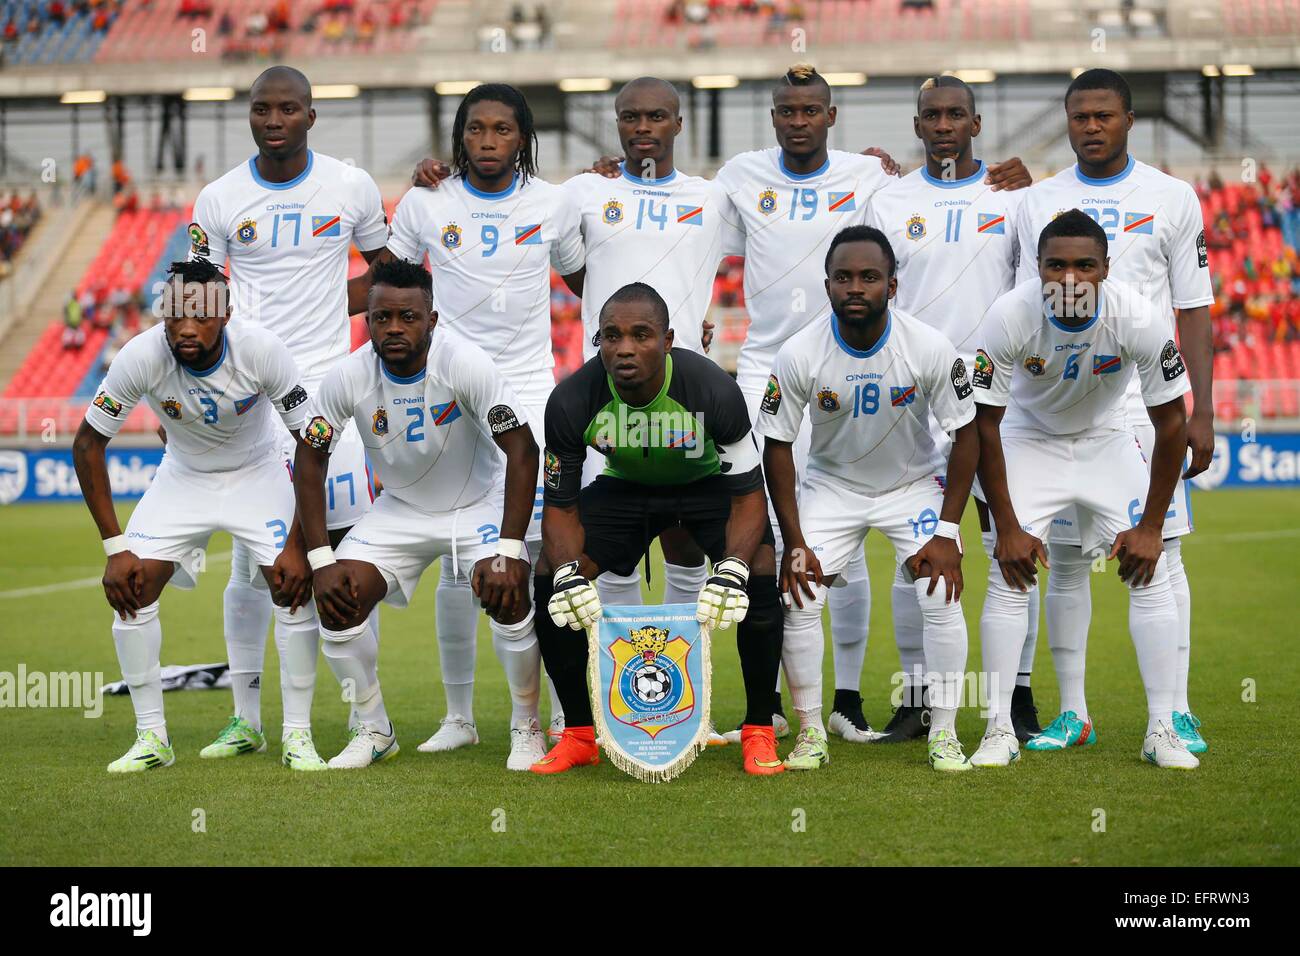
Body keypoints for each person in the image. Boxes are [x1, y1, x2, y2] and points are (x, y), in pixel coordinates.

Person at [354, 84, 583, 752]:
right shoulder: (427, 202)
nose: (488, 142)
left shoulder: (554, 202)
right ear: (459, 138)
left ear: (523, 137)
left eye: (502, 130)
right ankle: (459, 718)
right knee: (458, 552)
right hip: (447, 390)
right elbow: (388, 287)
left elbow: (584, 279)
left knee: (536, 555)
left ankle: (552, 717)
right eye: (476, 130)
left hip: (530, 393)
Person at [189, 65, 389, 765]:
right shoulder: (219, 198)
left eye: (287, 109)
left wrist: (333, 306)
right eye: (260, 109)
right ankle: (249, 721)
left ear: (311, 114)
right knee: (252, 567)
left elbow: (389, 276)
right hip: (250, 401)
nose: (273, 120)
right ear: (249, 116)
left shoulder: (350, 186)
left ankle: (373, 720)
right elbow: (198, 300)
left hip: (330, 396)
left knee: (340, 560)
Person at [1010, 69, 1214, 754]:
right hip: (1062, 404)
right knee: (1066, 562)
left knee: (1163, 555)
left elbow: (1192, 306)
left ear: (1128, 117)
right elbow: (1019, 302)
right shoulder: (1035, 199)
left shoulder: (1172, 196)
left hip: (1145, 402)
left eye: (1103, 115)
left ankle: (1174, 712)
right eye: (1078, 117)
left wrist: (1203, 409)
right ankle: (1074, 713)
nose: (1090, 127)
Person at [970, 210, 1198, 770]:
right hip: (1028, 437)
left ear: (1106, 268)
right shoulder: (1009, 315)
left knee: (1153, 566)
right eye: (1055, 265)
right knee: (1009, 573)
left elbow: (1173, 423)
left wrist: (1149, 525)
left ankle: (1162, 729)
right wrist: (1009, 525)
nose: (1069, 279)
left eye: (1084, 266)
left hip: (1106, 437)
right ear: (1038, 267)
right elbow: (983, 424)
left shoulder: (1138, 317)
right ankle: (998, 730)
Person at [294, 259, 543, 770]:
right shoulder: (347, 376)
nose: (394, 329)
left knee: (507, 592)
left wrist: (511, 550)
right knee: (337, 602)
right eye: (381, 318)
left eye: (408, 317)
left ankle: (527, 727)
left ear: (431, 319)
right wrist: (320, 558)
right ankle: (374, 727)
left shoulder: (464, 363)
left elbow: (523, 450)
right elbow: (310, 457)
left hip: (476, 504)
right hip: (400, 510)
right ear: (365, 318)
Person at [71, 259, 316, 773]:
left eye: (201, 315)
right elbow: (89, 442)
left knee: (292, 587)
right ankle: (151, 738)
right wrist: (116, 549)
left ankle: (297, 735)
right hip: (182, 477)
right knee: (131, 591)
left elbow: (312, 442)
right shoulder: (140, 356)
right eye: (175, 314)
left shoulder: (262, 350)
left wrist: (301, 540)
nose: (186, 327)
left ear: (225, 314)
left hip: (258, 471)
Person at [532, 282, 785, 775]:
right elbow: (559, 507)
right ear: (597, 343)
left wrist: (730, 569)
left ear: (668, 341)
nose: (625, 348)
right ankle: (579, 734)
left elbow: (749, 496)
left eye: (641, 335)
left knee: (757, 566)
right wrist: (567, 574)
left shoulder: (712, 388)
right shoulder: (570, 401)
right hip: (626, 490)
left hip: (705, 486)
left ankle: (759, 729)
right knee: (550, 576)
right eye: (612, 336)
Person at [759, 226, 979, 772]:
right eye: (843, 277)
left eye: (869, 277)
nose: (855, 287)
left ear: (893, 285)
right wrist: (794, 540)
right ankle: (811, 731)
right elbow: (778, 446)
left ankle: (945, 733)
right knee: (800, 595)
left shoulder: (928, 346)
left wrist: (948, 532)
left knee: (940, 592)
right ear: (828, 285)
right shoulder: (799, 352)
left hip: (912, 486)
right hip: (833, 488)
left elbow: (968, 434)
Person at [866, 73, 1034, 740]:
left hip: (997, 398)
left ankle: (1015, 697)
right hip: (916, 397)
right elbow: (874, 293)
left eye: (954, 114)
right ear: (917, 126)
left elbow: (1029, 291)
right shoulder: (890, 199)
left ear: (975, 124)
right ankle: (917, 698)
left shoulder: (1016, 195)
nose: (942, 124)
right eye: (931, 114)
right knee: (916, 547)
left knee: (1008, 544)